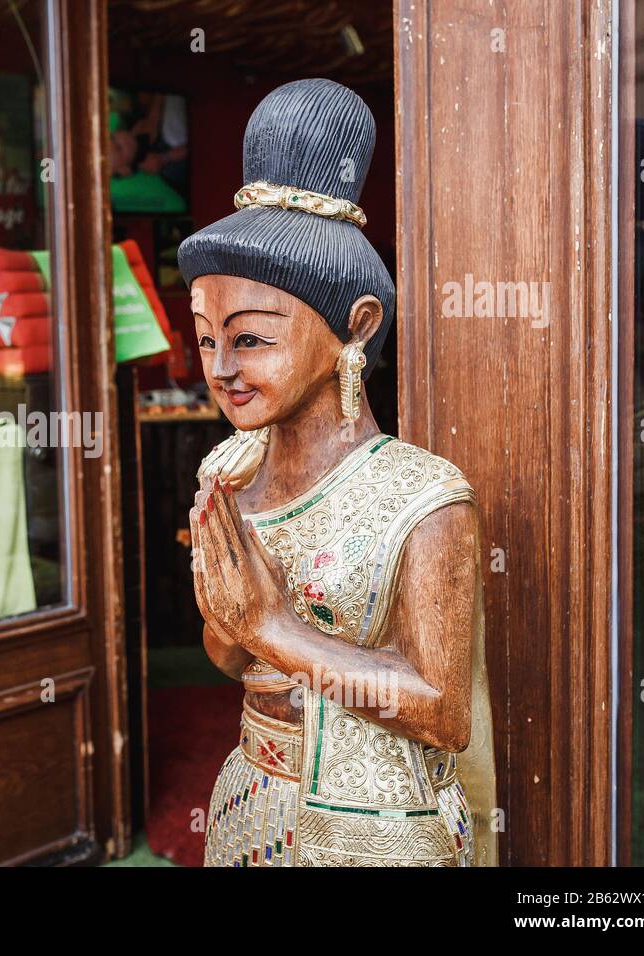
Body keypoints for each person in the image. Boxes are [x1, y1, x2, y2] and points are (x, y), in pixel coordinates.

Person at [180, 79, 496, 867]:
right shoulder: (232, 466)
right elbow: (227, 660)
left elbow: (442, 710)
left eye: (250, 338)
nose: (221, 367)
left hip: (378, 825)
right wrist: (226, 614)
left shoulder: (423, 499)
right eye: (205, 336)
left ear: (356, 326)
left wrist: (270, 626)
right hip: (251, 790)